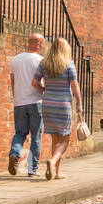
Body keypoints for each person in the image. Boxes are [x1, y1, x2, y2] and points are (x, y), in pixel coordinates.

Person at [34, 37, 82, 180]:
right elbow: (75, 85)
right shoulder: (69, 64)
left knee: (55, 139)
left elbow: (34, 82)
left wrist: (44, 89)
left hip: (48, 104)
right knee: (65, 139)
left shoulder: (44, 63)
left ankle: (58, 172)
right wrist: (79, 104)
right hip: (63, 105)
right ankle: (53, 161)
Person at [8, 33, 45, 177]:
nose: (43, 46)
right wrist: (43, 90)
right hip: (36, 102)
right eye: (42, 43)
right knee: (36, 137)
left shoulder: (16, 59)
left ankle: (14, 154)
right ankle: (32, 169)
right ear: (38, 44)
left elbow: (13, 82)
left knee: (20, 133)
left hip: (19, 103)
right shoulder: (40, 61)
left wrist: (16, 98)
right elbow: (40, 82)